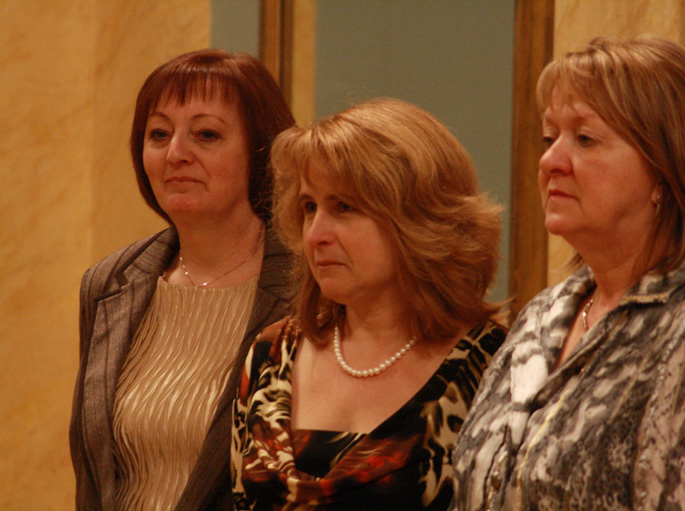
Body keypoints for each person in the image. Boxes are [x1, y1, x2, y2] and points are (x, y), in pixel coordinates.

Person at [450, 36, 685, 511]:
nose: (549, 161)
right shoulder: (543, 316)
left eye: (584, 139)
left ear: (666, 170)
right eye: (548, 137)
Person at [230, 97, 508, 510]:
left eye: (344, 206)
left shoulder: (495, 365)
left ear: (418, 217)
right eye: (310, 207)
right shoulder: (271, 354)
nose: (316, 234)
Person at [69, 49, 295, 511]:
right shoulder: (110, 282)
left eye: (206, 134)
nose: (175, 154)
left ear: (263, 150)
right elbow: (95, 476)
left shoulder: (309, 284)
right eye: (159, 134)